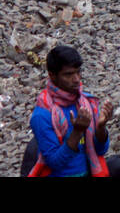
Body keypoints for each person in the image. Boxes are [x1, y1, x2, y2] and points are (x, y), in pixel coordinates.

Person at [28, 45, 113, 176]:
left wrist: (101, 128)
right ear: (52, 75)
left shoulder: (86, 103)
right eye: (68, 74)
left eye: (78, 72)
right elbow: (54, 162)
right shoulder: (42, 115)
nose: (76, 79)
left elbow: (100, 151)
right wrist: (77, 132)